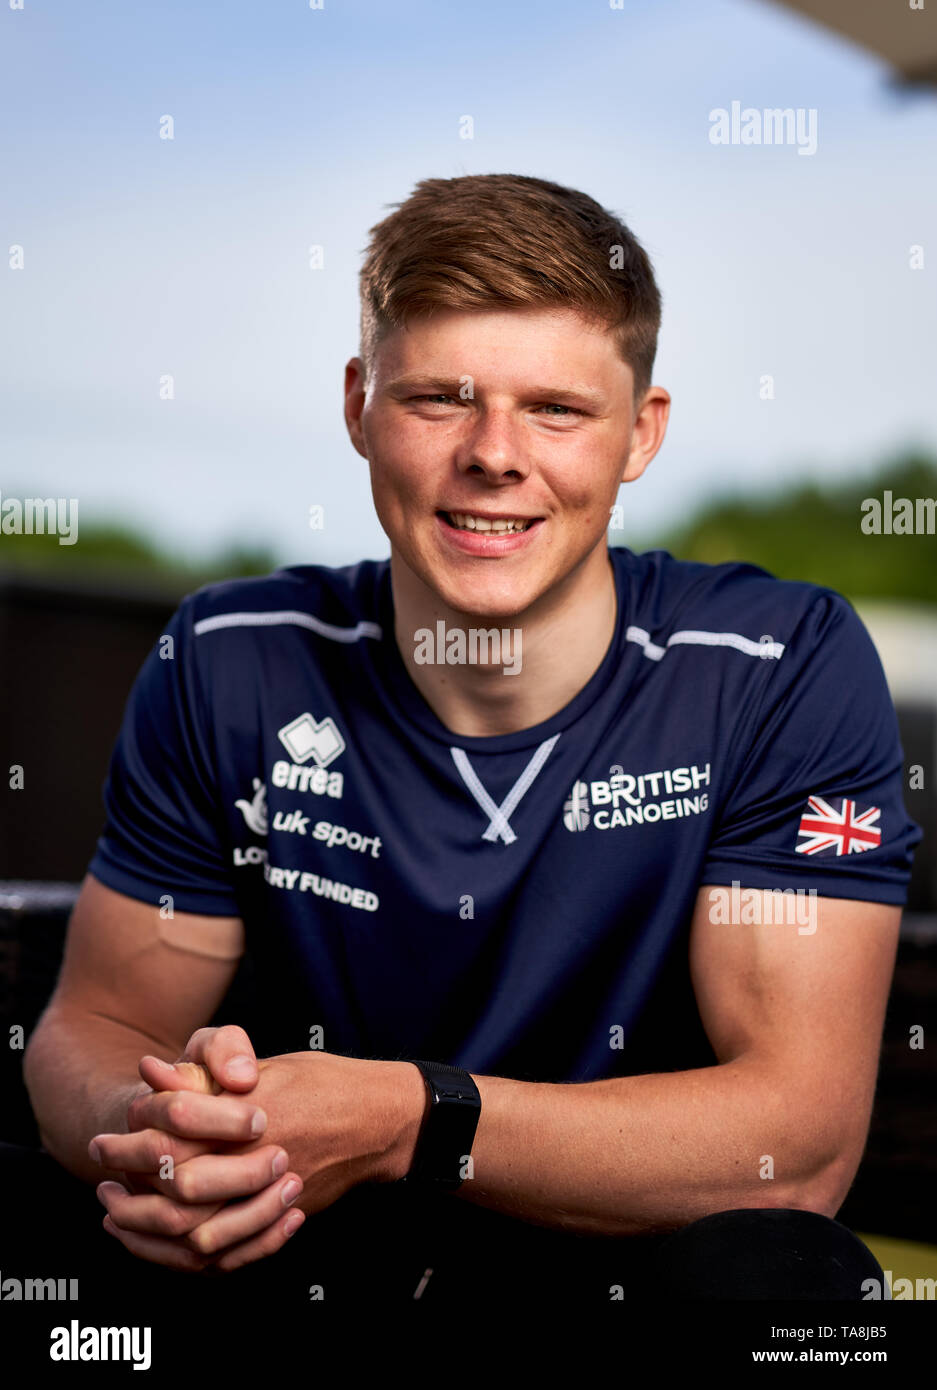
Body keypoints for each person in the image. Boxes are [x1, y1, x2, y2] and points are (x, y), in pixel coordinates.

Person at [17, 173, 919, 1309]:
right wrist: (161, 1133)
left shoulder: (777, 664)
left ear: (640, 435)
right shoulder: (229, 656)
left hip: (612, 1288)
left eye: (556, 408)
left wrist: (410, 1118)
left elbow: (795, 1144)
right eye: (440, 397)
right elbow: (98, 1020)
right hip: (292, 1259)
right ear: (357, 406)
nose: (495, 454)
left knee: (785, 1289)